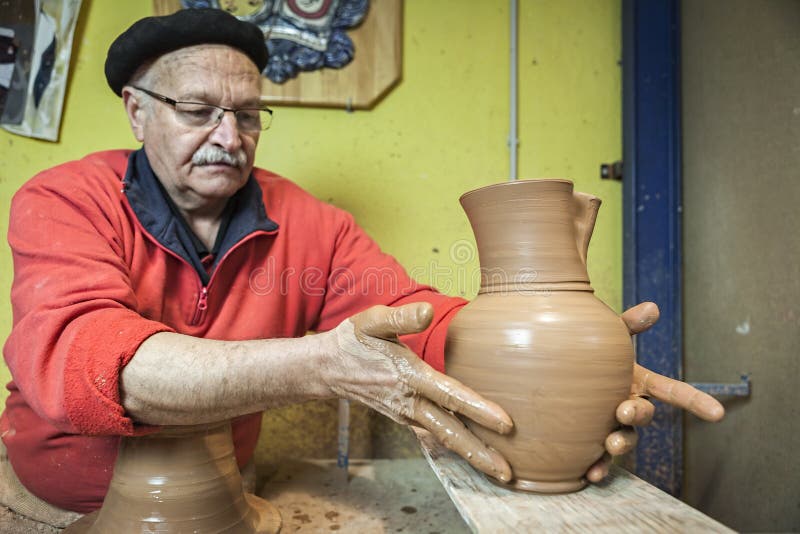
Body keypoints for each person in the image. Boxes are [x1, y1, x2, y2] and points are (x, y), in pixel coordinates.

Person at [0, 8, 724, 527]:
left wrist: (561, 358)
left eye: (249, 115)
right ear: (136, 110)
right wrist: (317, 367)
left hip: (227, 500)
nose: (230, 136)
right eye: (199, 110)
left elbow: (413, 317)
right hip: (52, 499)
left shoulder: (309, 223)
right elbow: (77, 360)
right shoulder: (64, 198)